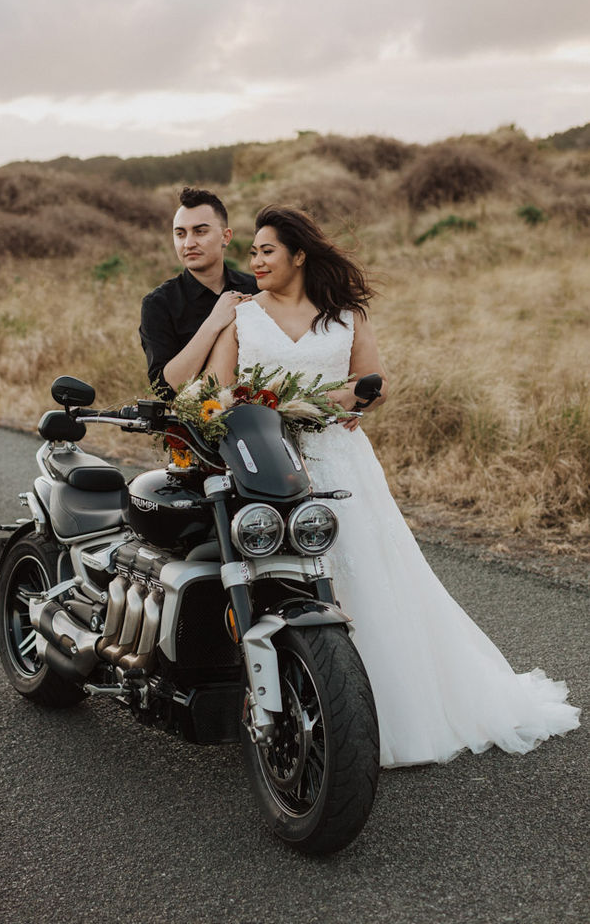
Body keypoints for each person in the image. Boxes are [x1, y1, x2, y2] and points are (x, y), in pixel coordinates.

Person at [206, 204, 580, 768]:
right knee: (278, 573)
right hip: (268, 458)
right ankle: (293, 691)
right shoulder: (242, 315)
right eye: (253, 251)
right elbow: (219, 389)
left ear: (298, 255)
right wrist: (264, 406)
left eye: (266, 251)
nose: (254, 261)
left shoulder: (347, 314)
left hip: (338, 459)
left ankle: (379, 711)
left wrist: (337, 401)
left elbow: (371, 387)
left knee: (364, 575)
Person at [139, 186, 259, 401]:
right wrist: (214, 322)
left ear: (226, 236)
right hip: (195, 429)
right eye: (180, 234)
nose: (188, 243)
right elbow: (165, 387)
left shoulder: (257, 289)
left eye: (200, 231)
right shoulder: (158, 304)